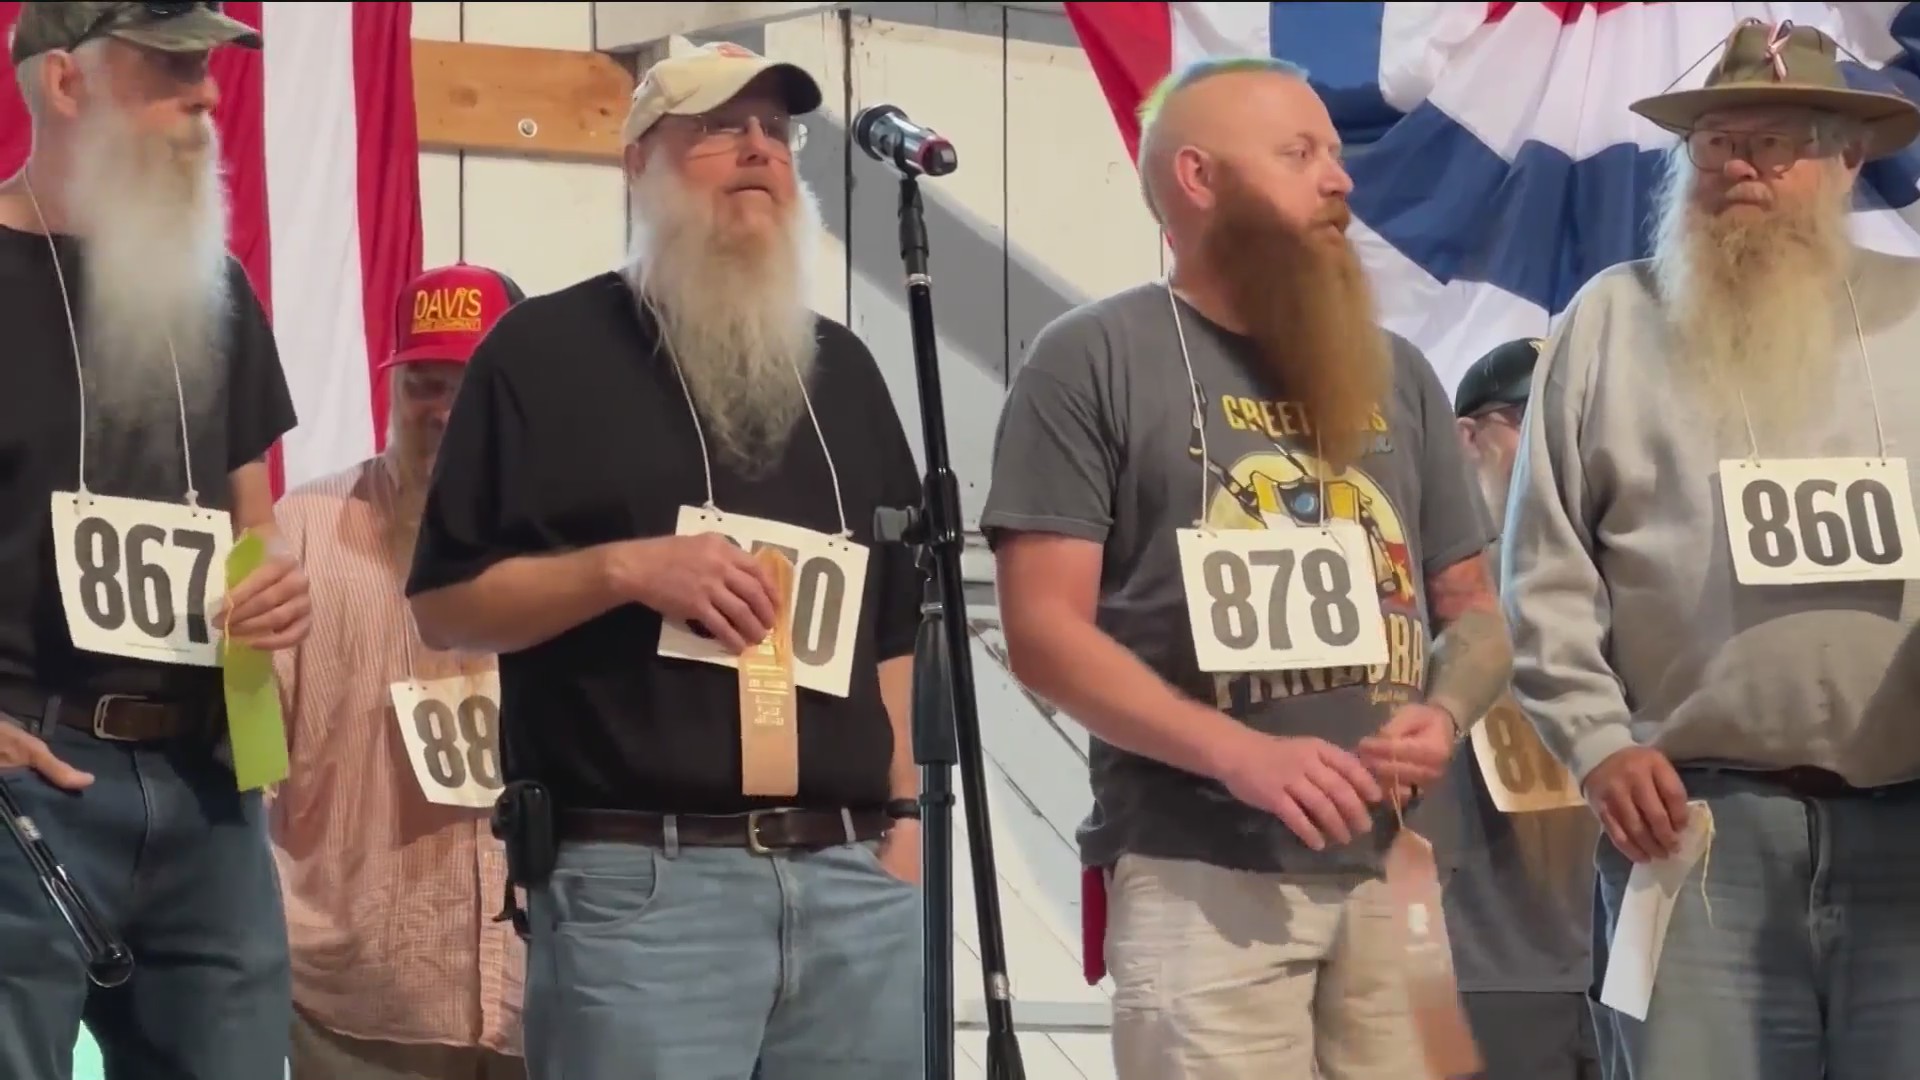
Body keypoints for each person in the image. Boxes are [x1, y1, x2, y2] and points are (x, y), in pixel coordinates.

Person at [402, 42, 925, 1080]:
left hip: (848, 877)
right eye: (719, 128)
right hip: (645, 887)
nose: (757, 150)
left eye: (776, 130)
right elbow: (447, 605)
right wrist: (625, 572)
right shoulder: (541, 356)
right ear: (636, 161)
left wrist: (900, 831)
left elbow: (892, 625)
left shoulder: (848, 371)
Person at [982, 56, 1512, 1080]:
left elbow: (1477, 616)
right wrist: (1238, 753)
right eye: (1299, 153)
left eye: (1333, 152)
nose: (1340, 179)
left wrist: (1444, 714)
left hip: (1394, 871)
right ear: (1199, 178)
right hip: (1200, 872)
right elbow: (1044, 634)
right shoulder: (1092, 357)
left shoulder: (1397, 372)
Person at [1503, 19, 1920, 1080]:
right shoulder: (1610, 323)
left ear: (1847, 158)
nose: (1740, 165)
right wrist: (1598, 744)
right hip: (1690, 834)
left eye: (1775, 143)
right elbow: (1543, 569)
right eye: (1717, 141)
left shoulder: (1916, 319)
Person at [0, 4, 312, 1079]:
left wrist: (276, 586)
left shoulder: (216, 290)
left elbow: (254, 531)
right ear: (65, 84)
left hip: (210, 774)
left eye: (206, 71)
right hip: (25, 769)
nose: (207, 98)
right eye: (169, 70)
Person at [269, 264, 530, 1080]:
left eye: (467, 383)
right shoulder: (295, 534)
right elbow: (242, 761)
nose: (443, 410)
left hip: (546, 1000)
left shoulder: (580, 547)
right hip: (350, 1007)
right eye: (422, 383)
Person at [1441, 338, 1600, 1080]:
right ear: (1465, 437)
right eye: (1529, 419)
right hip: (1481, 967)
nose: (1556, 446)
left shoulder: (1635, 572)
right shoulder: (1408, 583)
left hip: (1632, 958)